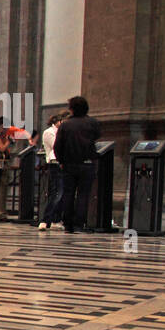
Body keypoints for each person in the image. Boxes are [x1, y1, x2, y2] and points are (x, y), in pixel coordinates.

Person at [55, 95, 101, 234]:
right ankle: (79, 224)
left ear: (72, 109)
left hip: (69, 164)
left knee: (68, 193)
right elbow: (97, 136)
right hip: (87, 163)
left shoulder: (65, 125)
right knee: (83, 194)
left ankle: (68, 224)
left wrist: (61, 161)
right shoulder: (92, 123)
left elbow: (58, 146)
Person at [38, 110, 69, 231]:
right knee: (57, 193)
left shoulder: (62, 132)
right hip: (55, 162)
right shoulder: (49, 132)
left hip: (64, 163)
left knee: (62, 193)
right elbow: (57, 147)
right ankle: (46, 219)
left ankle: (56, 218)